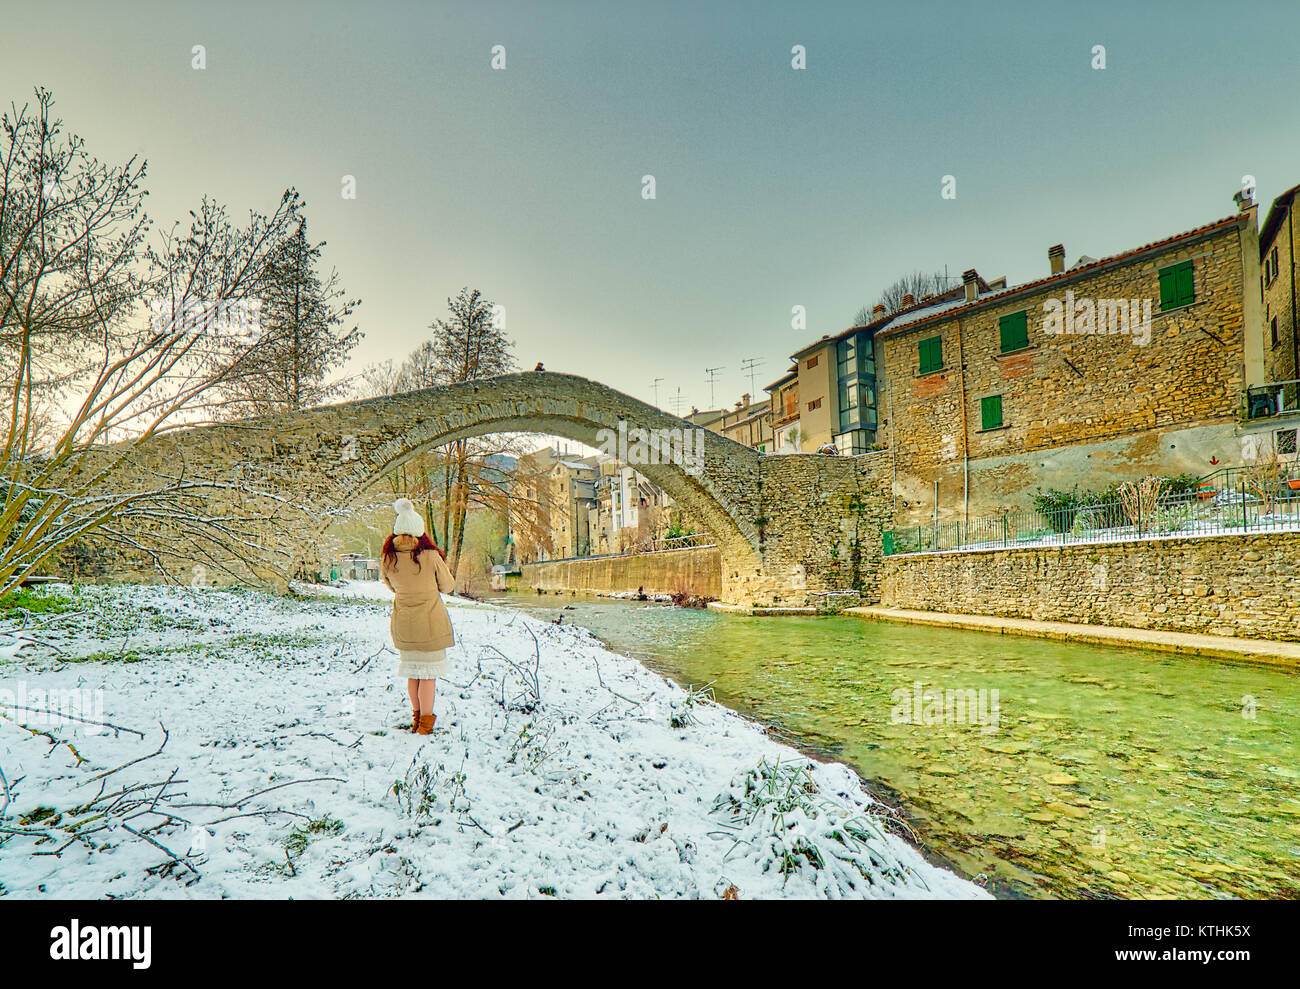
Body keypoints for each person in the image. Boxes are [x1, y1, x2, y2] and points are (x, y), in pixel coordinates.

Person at [379, 498, 456, 735]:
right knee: (428, 676)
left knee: (413, 673)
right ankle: (425, 725)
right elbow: (448, 586)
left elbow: (391, 587)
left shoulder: (388, 558)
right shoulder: (431, 556)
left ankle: (416, 720)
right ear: (419, 531)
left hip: (404, 624)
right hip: (430, 624)